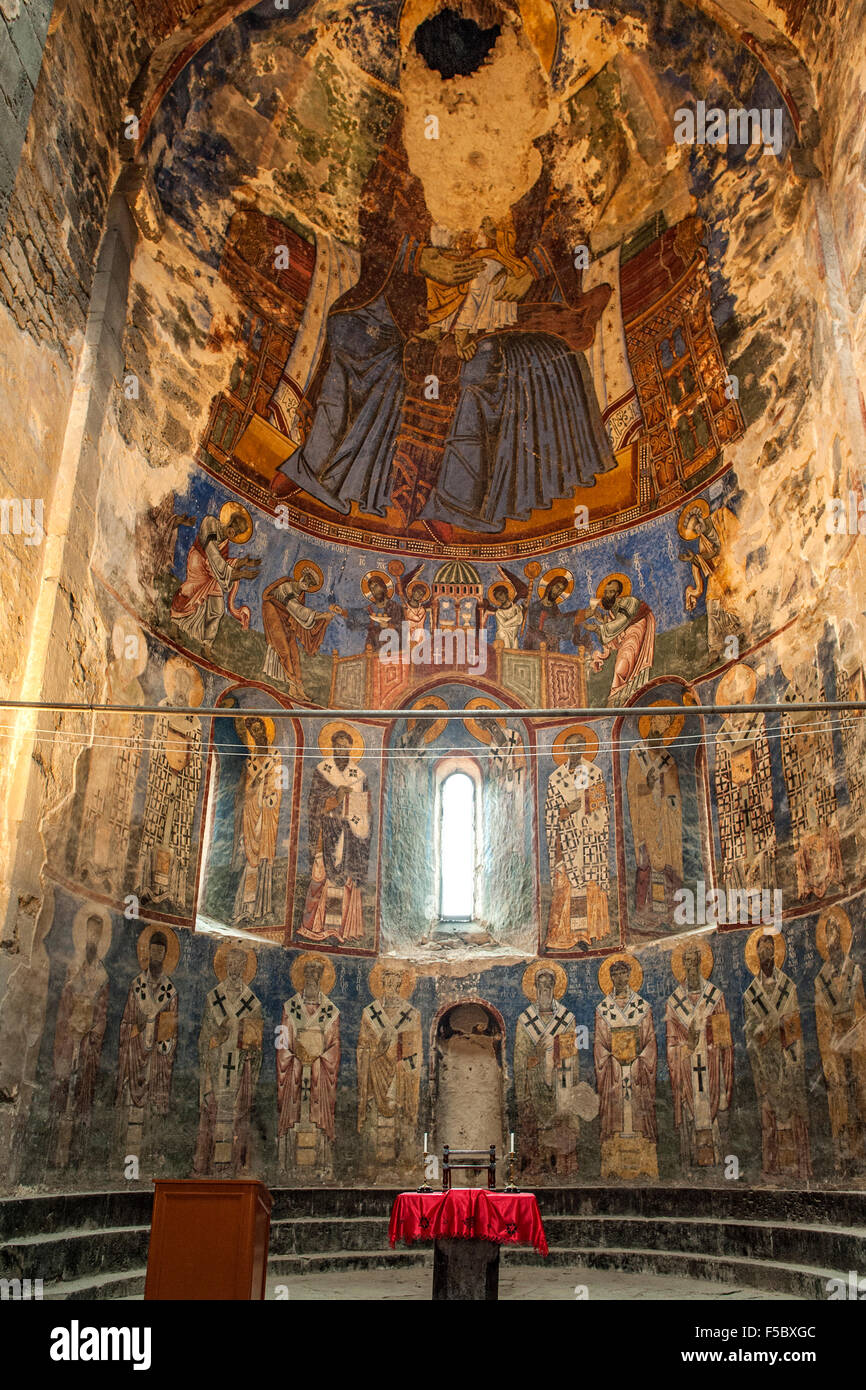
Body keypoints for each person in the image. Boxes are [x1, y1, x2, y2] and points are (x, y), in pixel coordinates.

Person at [743, 930, 812, 1180]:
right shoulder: (750, 995)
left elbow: (794, 1024)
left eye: (770, 948)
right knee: (769, 1113)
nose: (766, 953)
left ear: (776, 952)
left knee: (793, 1111)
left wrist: (780, 1028)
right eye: (761, 949)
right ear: (755, 954)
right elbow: (750, 1032)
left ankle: (799, 1169)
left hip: (787, 1059)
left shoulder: (788, 987)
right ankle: (773, 1170)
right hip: (766, 1062)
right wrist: (764, 1032)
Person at [193, 946, 263, 1176]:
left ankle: (236, 1167)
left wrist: (251, 1053)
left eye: (239, 965)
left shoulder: (252, 1003)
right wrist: (216, 1038)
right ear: (225, 966)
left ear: (245, 969)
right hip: (216, 1068)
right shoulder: (213, 998)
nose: (234, 969)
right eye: (231, 964)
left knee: (238, 1115)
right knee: (212, 1113)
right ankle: (207, 1166)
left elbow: (256, 1045)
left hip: (239, 1068)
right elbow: (204, 1039)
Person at [298, 726, 371, 944]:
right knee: (321, 878)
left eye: (346, 749)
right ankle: (316, 927)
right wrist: (336, 797)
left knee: (346, 882)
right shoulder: (323, 771)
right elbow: (314, 804)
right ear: (331, 748)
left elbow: (366, 811)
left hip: (348, 839)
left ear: (351, 750)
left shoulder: (359, 776)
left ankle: (343, 929)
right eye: (338, 748)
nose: (342, 753)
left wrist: (357, 818)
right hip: (325, 835)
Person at [49, 911, 109, 1168]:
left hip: (87, 1046)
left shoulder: (103, 976)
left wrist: (91, 1034)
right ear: (83, 934)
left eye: (97, 933)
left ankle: (76, 1159)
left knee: (82, 1098)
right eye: (90, 932)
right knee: (62, 1094)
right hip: (68, 1041)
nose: (92, 938)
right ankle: (54, 1157)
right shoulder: (72, 967)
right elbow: (63, 1005)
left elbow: (103, 1012)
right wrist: (70, 1031)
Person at [665, 942, 733, 1169]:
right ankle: (691, 1167)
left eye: (695, 962)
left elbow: (724, 1041)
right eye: (688, 962)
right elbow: (671, 1044)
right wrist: (685, 1049)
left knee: (714, 1119)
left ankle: (720, 1166)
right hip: (687, 1070)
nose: (691, 967)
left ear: (701, 963)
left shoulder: (715, 996)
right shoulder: (674, 1003)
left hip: (711, 1066)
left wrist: (712, 1049)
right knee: (690, 1118)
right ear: (682, 965)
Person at [116, 928, 178, 1169]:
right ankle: (123, 1161)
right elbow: (125, 1022)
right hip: (135, 1055)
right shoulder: (137, 986)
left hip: (155, 1061)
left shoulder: (170, 991)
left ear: (165, 956)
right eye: (152, 950)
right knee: (131, 1108)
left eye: (160, 951)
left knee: (152, 1107)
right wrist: (135, 1028)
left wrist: (160, 1044)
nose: (156, 955)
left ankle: (151, 1158)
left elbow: (170, 1030)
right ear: (147, 953)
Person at [544, 731, 610, 947]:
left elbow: (600, 808)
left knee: (586, 886)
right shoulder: (556, 778)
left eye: (578, 746)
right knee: (565, 886)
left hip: (588, 842)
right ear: (564, 749)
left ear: (584, 748)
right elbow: (550, 813)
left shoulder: (592, 773)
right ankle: (564, 935)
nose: (574, 750)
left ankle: (586, 933)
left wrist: (588, 823)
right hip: (565, 842)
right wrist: (565, 810)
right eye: (570, 747)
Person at [594, 955, 658, 1179]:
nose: (620, 978)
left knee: (639, 1114)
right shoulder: (603, 1009)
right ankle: (613, 1167)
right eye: (615, 974)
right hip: (614, 1074)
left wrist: (639, 1061)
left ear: (630, 975)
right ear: (610, 978)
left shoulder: (643, 1008)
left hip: (637, 1071)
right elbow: (599, 1046)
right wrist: (613, 1061)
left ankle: (645, 1166)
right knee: (614, 1115)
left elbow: (650, 1041)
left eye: (623, 973)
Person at [169, 504, 260, 660]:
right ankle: (173, 627)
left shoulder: (226, 543)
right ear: (229, 521)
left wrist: (242, 562)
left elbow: (222, 563)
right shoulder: (210, 523)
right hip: (198, 561)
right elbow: (213, 555)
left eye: (237, 532)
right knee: (189, 591)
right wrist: (240, 573)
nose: (234, 532)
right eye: (234, 527)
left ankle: (207, 647)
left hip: (213, 570)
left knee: (217, 608)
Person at [276, 955, 340, 1174]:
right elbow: (281, 1042)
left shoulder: (331, 1011)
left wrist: (316, 1061)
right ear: (302, 977)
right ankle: (288, 1168)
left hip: (318, 1078)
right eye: (308, 974)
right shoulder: (289, 1008)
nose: (312, 979)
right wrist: (296, 1060)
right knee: (294, 1119)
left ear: (321, 978)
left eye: (316, 975)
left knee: (318, 1120)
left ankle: (322, 1167)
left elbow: (334, 1047)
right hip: (295, 1075)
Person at [514, 963, 580, 1175]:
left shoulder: (566, 1018)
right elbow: (520, 1057)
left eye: (549, 984)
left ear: (554, 987)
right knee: (534, 1126)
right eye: (540, 984)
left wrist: (557, 1059)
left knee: (561, 1123)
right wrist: (538, 1054)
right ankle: (535, 1166)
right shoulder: (525, 1020)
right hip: (533, 1084)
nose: (545, 989)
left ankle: (561, 1166)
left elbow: (571, 1054)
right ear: (534, 987)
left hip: (559, 1082)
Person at [814, 909, 866, 1173]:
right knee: (840, 1108)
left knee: (860, 1101)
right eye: (828, 933)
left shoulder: (854, 971)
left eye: (836, 932)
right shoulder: (820, 980)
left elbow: (861, 1012)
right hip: (835, 1052)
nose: (832, 939)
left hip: (856, 1052)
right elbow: (822, 1021)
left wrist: (854, 1040)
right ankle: (844, 1161)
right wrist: (831, 1053)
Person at [356, 965, 421, 1173]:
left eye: (395, 983)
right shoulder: (369, 1014)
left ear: (402, 985)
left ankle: (401, 1164)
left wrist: (401, 1064)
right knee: (375, 1117)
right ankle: (372, 1166)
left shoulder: (411, 1015)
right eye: (388, 982)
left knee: (400, 1116)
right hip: (375, 1075)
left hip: (399, 1078)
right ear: (382, 984)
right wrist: (378, 1051)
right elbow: (362, 1048)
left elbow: (415, 1052)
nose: (391, 986)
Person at [626, 710, 683, 925]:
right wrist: (648, 786)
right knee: (646, 865)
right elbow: (632, 789)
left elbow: (674, 794)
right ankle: (646, 914)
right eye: (658, 721)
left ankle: (669, 913)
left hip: (663, 821)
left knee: (666, 865)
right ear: (649, 723)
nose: (661, 726)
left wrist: (670, 806)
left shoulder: (668, 760)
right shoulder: (636, 753)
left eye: (666, 723)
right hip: (644, 820)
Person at [262, 563, 342, 700]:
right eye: (306, 579)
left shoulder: (301, 595)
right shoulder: (286, 586)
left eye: (309, 583)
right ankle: (292, 687)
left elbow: (299, 618)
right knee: (284, 650)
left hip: (286, 621)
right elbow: (298, 611)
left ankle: (299, 688)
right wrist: (322, 616)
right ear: (301, 576)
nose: (306, 583)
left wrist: (322, 618)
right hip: (273, 614)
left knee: (294, 653)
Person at [232, 717, 282, 927]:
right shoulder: (250, 761)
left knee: (263, 860)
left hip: (268, 813)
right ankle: (244, 909)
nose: (258, 734)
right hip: (251, 813)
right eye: (253, 731)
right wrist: (256, 786)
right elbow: (245, 791)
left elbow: (279, 785)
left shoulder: (276, 757)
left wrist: (269, 797)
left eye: (260, 729)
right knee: (249, 859)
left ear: (266, 732)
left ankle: (260, 909)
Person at [584, 578, 655, 705]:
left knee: (623, 664)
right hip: (627, 635)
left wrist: (597, 628)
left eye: (611, 592)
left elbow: (619, 624)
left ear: (617, 594)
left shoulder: (629, 602)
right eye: (605, 592)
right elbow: (614, 635)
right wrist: (600, 620)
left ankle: (619, 696)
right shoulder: (612, 611)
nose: (607, 595)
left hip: (637, 630)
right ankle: (619, 696)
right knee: (622, 662)